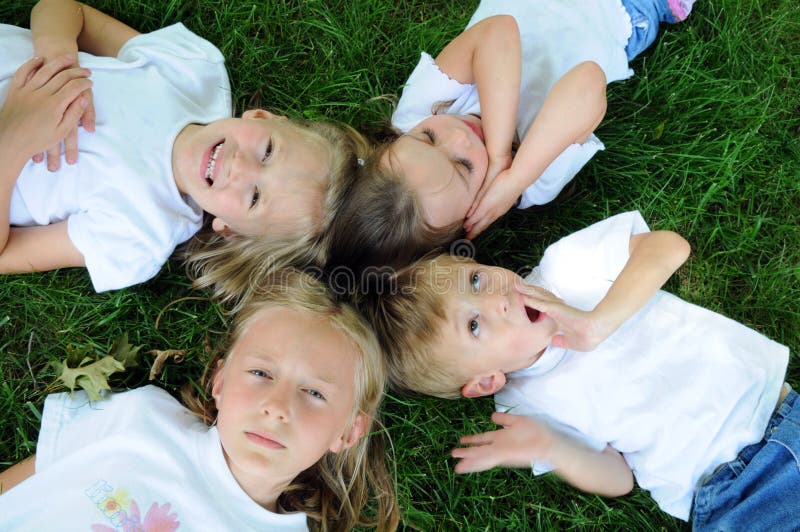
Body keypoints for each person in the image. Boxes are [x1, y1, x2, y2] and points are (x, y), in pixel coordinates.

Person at [364, 211, 796, 529]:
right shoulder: (524, 406)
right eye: (474, 325)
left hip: (774, 417)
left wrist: (600, 321)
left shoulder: (567, 267)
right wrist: (553, 448)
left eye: (475, 280)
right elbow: (618, 478)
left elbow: (668, 247)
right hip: (724, 497)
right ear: (485, 380)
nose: (495, 298)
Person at [0, 0, 364, 303]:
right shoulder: (190, 74)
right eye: (268, 151)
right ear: (262, 116)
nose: (239, 168)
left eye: (254, 197)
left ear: (230, 230)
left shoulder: (138, 235)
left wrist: (14, 141)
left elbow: (5, 255)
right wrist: (56, 58)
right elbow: (63, 9)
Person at [0, 269, 399, 531]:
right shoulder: (141, 417)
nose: (276, 407)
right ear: (220, 382)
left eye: (314, 393)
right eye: (261, 373)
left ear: (348, 432)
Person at [325, 0, 694, 274]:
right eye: (463, 166)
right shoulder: (532, 179)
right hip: (622, 10)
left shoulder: (417, 113)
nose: (458, 136)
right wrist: (514, 176)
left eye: (428, 139)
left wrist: (498, 152)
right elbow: (589, 80)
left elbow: (499, 31)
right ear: (475, 215)